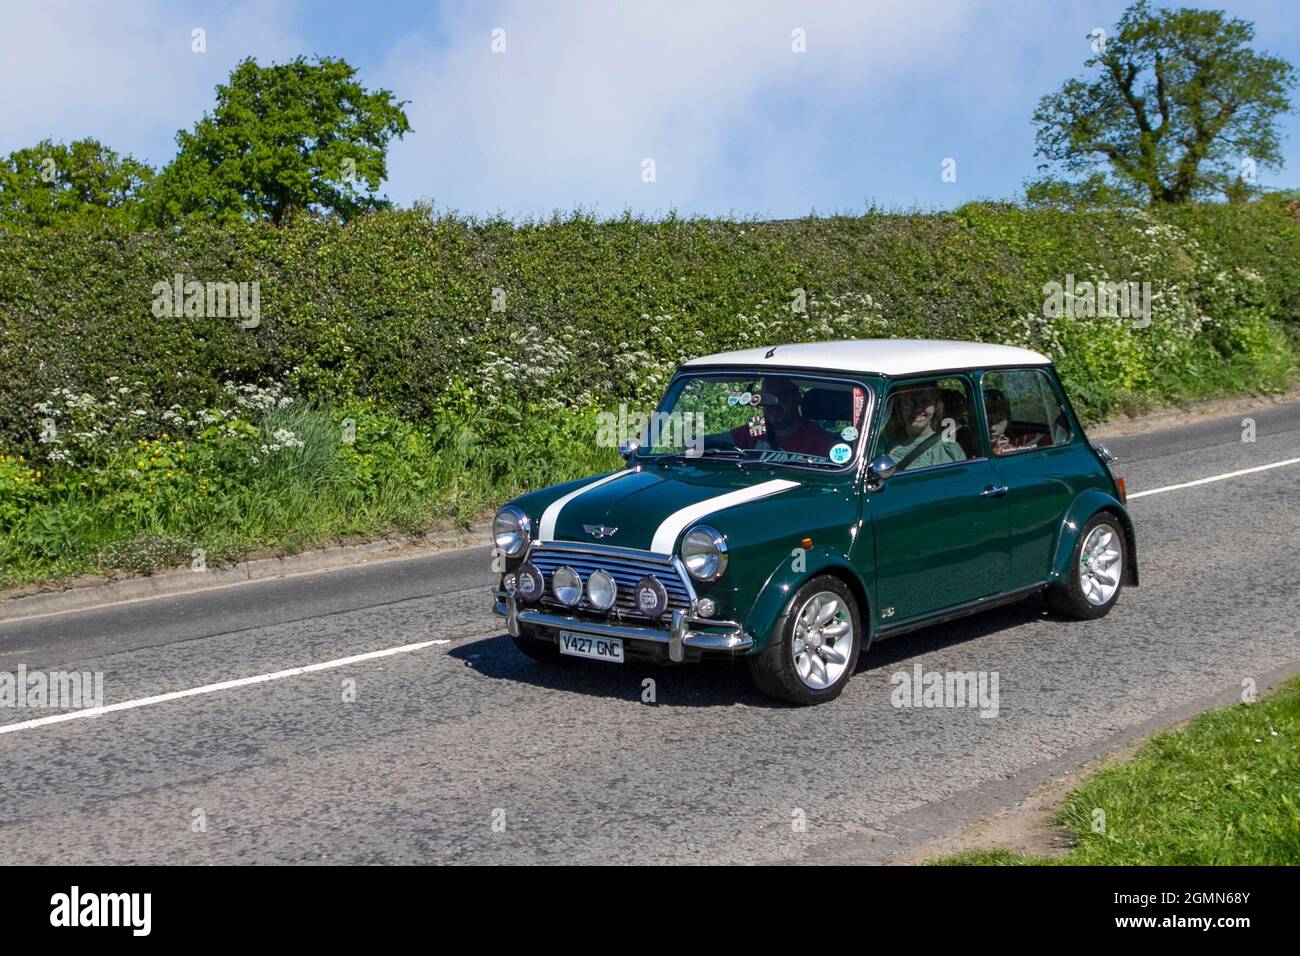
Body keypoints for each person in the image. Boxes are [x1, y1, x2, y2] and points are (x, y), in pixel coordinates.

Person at [727, 377, 836, 457]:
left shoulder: (817, 439)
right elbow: (720, 441)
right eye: (767, 397)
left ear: (797, 399)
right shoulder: (758, 426)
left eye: (781, 396)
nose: (774, 404)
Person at [884, 385, 966, 470]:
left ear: (936, 407)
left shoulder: (945, 450)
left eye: (925, 401)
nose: (917, 408)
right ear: (899, 405)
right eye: (909, 401)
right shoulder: (884, 441)